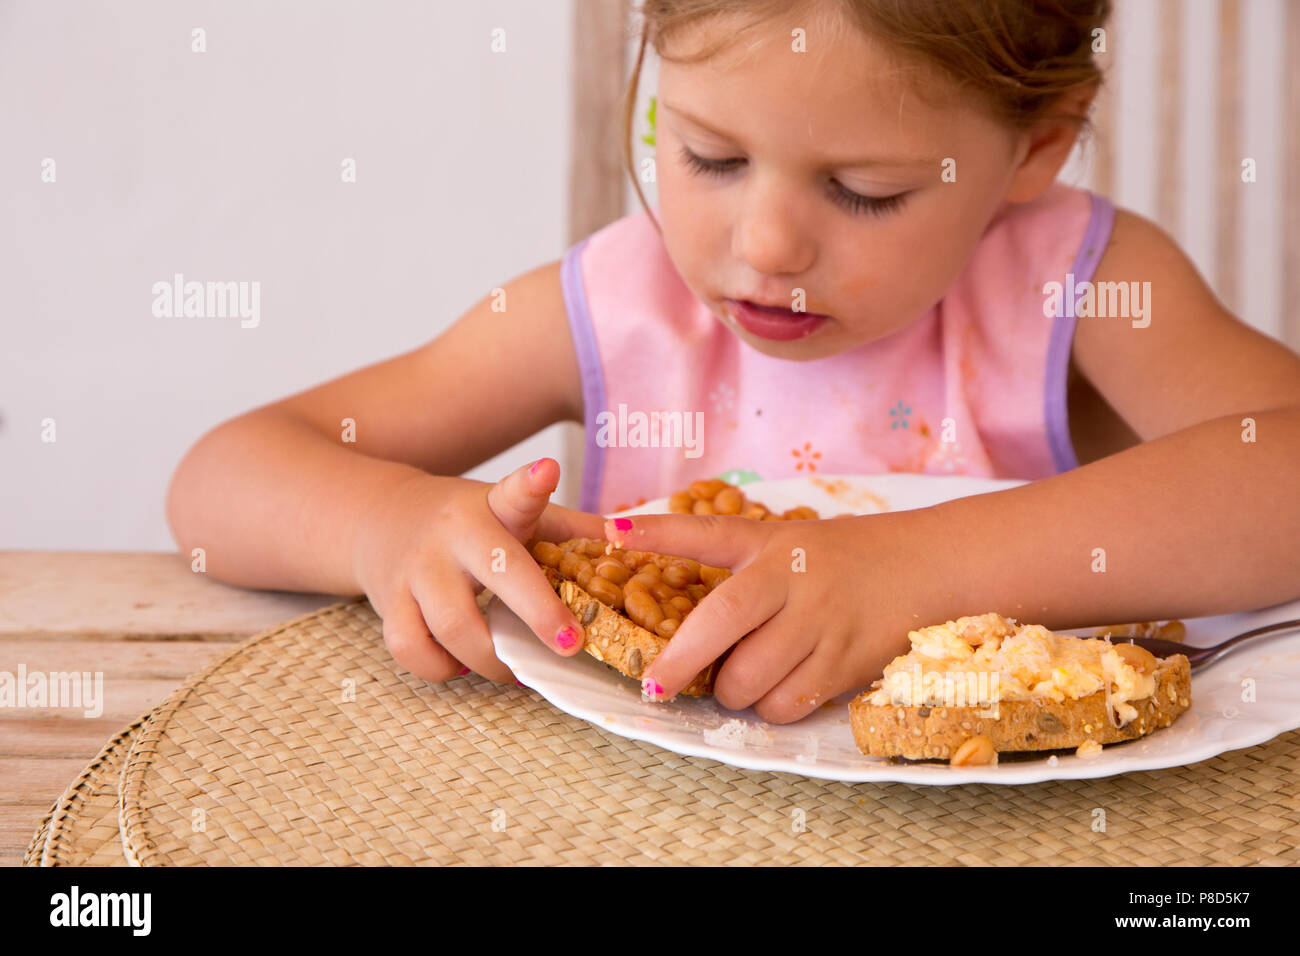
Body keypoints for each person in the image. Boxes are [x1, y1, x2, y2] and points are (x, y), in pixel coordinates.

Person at [166, 0, 1300, 724]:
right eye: (706, 155)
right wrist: (386, 525)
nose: (764, 247)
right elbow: (221, 480)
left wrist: (915, 565)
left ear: (1034, 149)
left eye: (866, 190)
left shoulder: (1078, 285)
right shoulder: (620, 306)